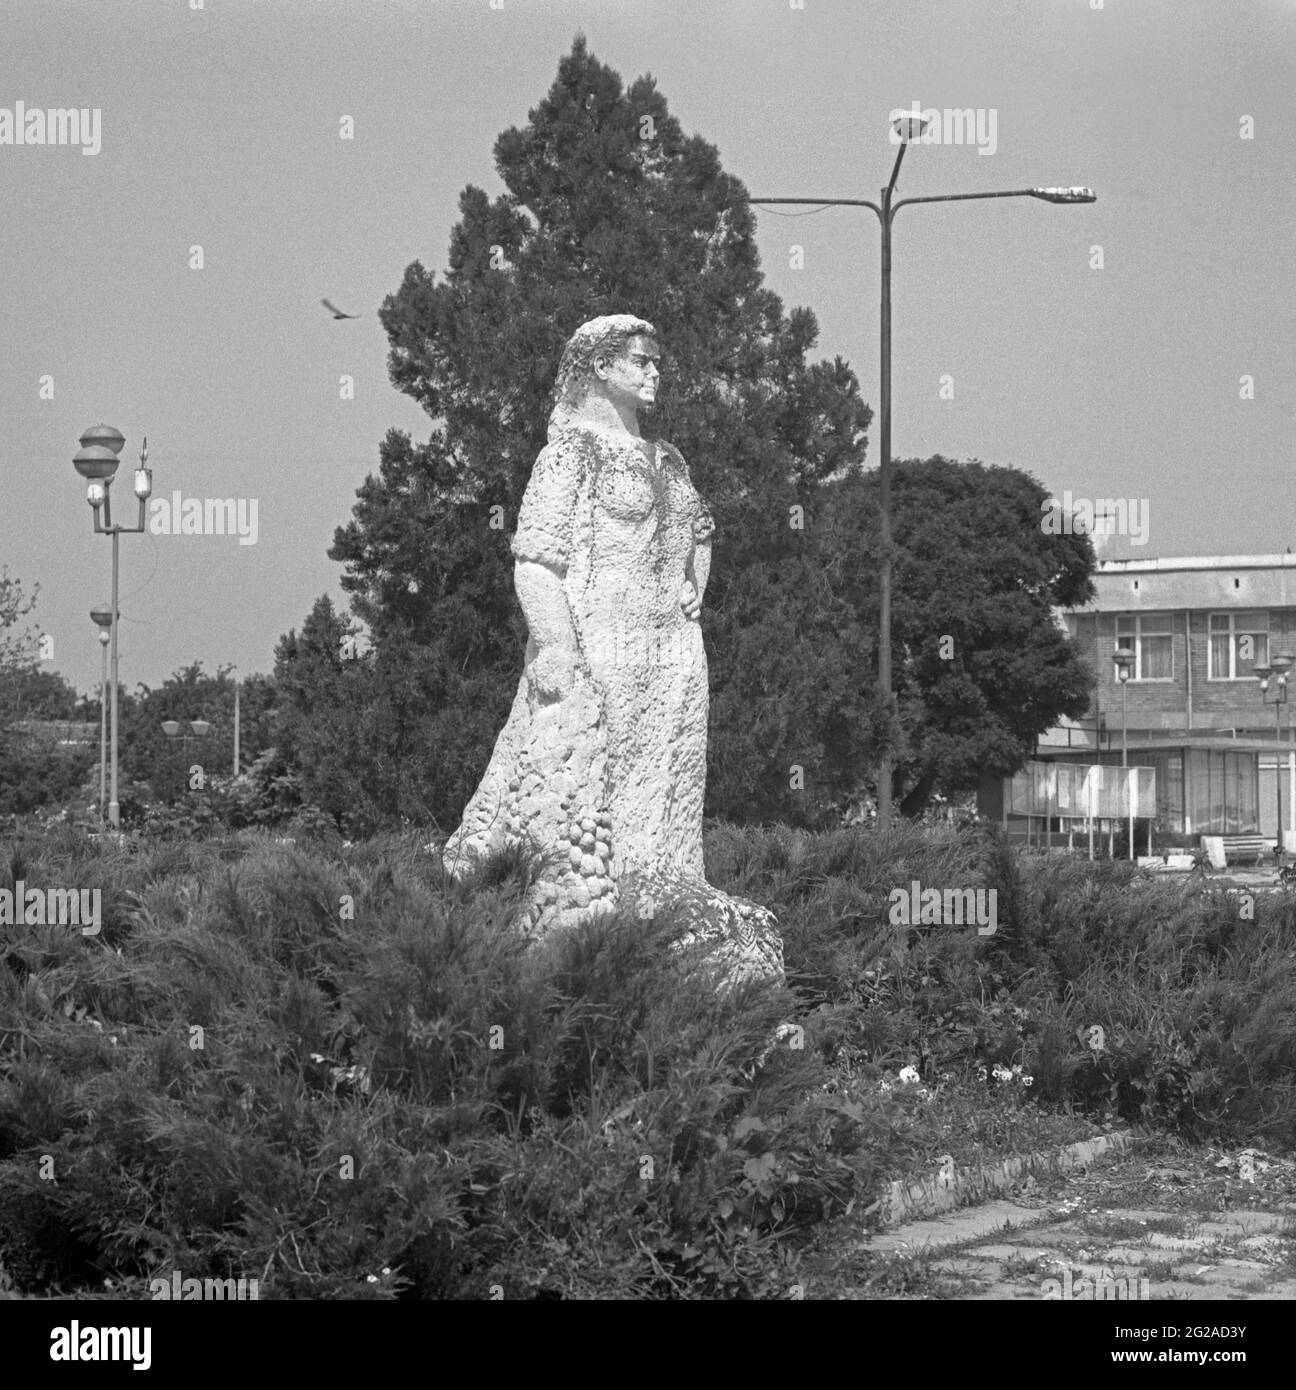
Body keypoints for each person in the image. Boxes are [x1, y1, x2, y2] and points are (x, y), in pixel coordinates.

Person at [444, 314, 782, 988]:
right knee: (598, 782)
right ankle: (582, 910)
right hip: (600, 643)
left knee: (670, 781)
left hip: (673, 649)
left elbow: (700, 530)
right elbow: (536, 562)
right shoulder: (571, 452)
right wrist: (556, 645)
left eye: (658, 362)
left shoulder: (669, 459)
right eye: (640, 360)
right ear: (599, 366)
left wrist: (696, 589)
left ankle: (665, 892)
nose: (654, 372)